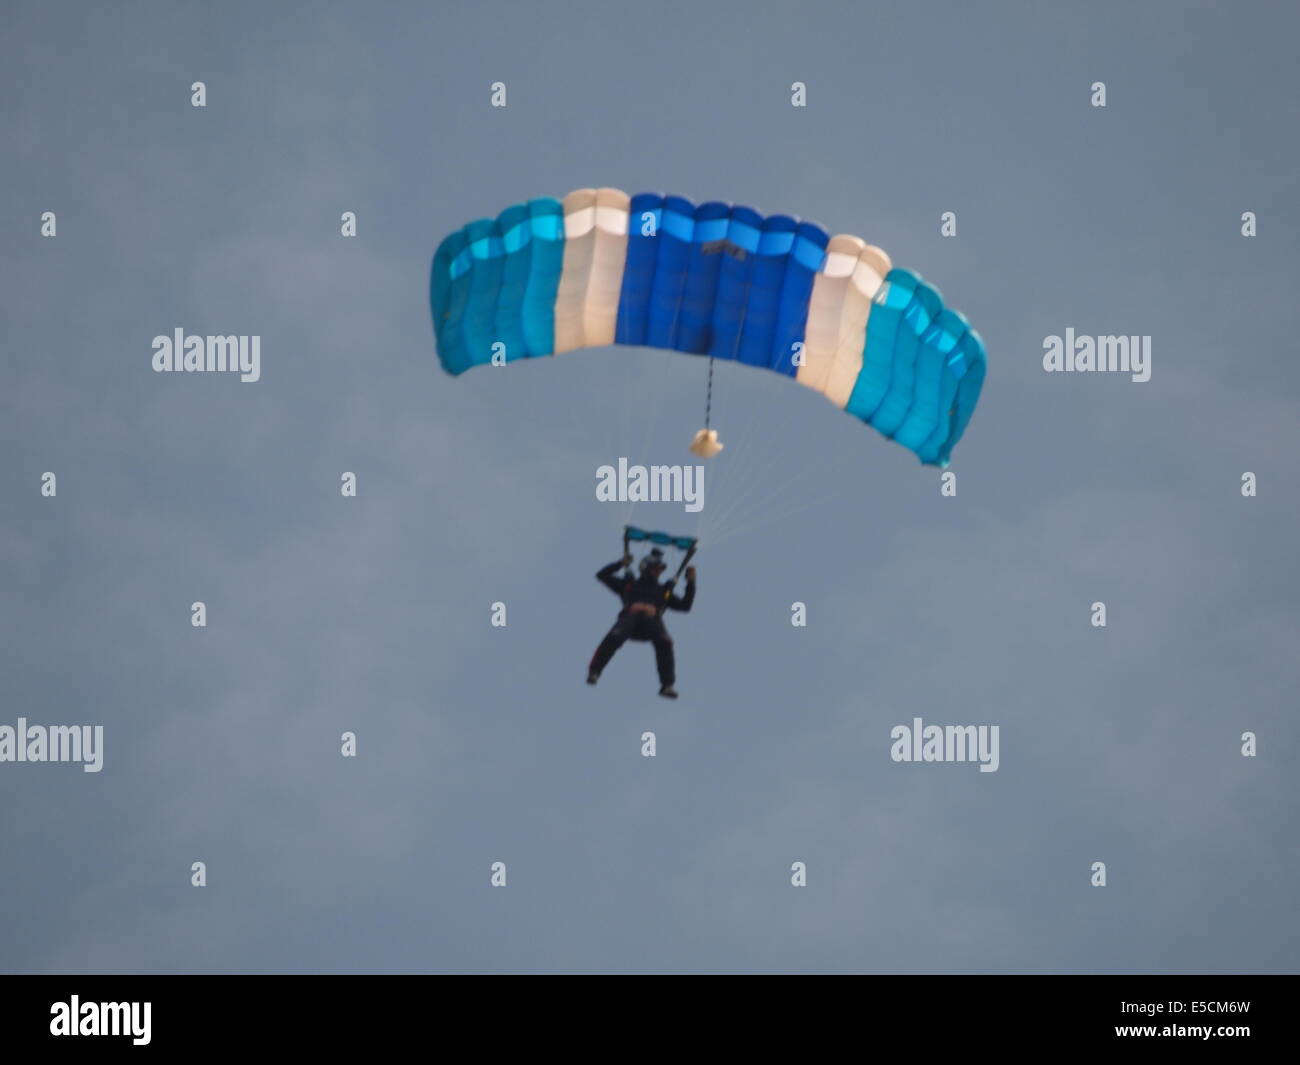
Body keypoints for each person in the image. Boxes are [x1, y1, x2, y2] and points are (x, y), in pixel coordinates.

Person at [587, 548, 696, 698]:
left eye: (661, 569)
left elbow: (685, 605)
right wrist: (620, 563)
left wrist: (691, 582)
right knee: (614, 637)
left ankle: (667, 685)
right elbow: (602, 575)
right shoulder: (629, 585)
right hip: (629, 622)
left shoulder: (663, 591)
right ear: (647, 568)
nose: (659, 572)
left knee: (665, 643)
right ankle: (594, 671)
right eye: (657, 568)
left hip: (651, 623)